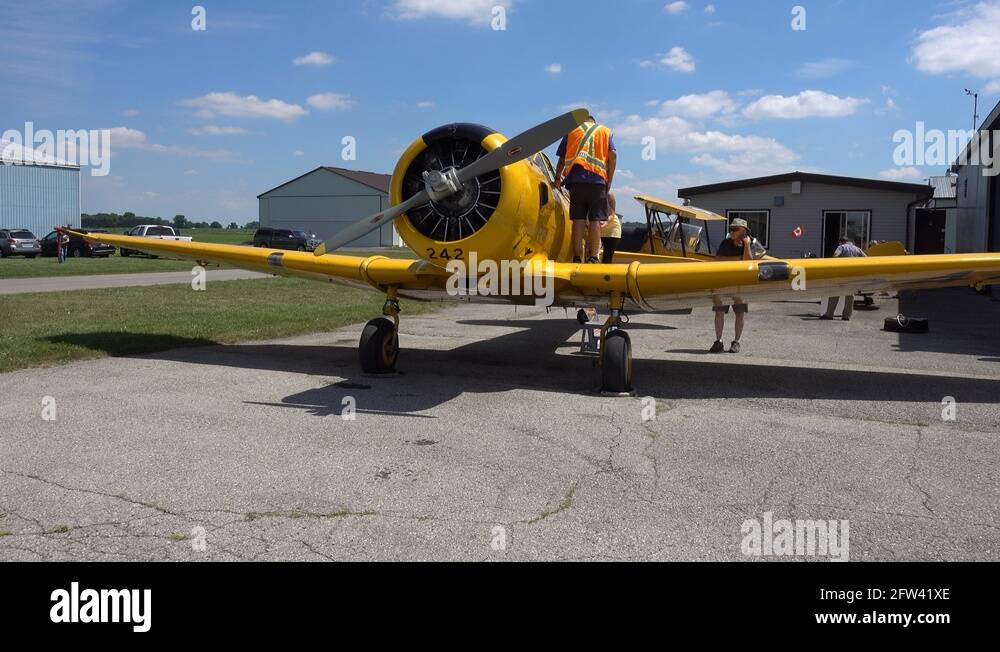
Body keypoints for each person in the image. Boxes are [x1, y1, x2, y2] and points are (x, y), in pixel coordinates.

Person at [555, 113, 617, 263]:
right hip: (598, 182)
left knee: (578, 220)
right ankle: (593, 257)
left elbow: (562, 160)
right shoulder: (605, 131)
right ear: (594, 122)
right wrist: (609, 180)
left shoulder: (571, 131)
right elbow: (613, 155)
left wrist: (557, 179)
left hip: (576, 182)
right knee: (595, 220)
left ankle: (577, 257)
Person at [710, 218, 752, 353]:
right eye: (731, 229)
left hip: (740, 284)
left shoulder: (751, 244)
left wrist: (747, 246)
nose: (731, 231)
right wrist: (738, 259)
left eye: (735, 229)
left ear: (743, 231)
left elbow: (749, 263)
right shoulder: (725, 243)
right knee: (719, 312)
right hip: (723, 282)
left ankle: (736, 342)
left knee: (739, 313)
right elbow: (718, 260)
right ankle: (718, 341)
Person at [820, 237, 867, 320]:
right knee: (850, 296)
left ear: (842, 242)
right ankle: (846, 316)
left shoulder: (841, 247)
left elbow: (835, 256)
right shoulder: (857, 249)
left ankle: (829, 314)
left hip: (841, 274)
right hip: (853, 275)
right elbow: (866, 259)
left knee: (835, 293)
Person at [599, 192, 622, 264]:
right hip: (597, 227)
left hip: (612, 229)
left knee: (607, 258)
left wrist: (604, 223)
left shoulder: (609, 195)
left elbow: (612, 214)